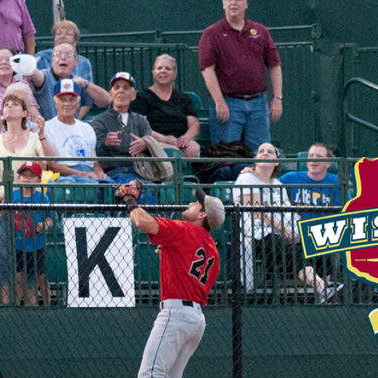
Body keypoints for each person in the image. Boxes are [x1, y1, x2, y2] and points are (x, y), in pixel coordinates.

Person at [119, 183, 224, 378]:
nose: (192, 203)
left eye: (197, 204)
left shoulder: (184, 228)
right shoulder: (212, 248)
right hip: (195, 318)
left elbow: (142, 221)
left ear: (202, 215)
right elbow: (184, 260)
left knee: (149, 376)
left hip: (175, 314)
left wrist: (130, 200)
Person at [234, 142, 336, 302]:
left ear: (276, 161)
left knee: (319, 244)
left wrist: (295, 232)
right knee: (292, 251)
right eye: (261, 151)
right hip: (258, 235)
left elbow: (288, 212)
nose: (265, 153)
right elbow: (257, 212)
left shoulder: (278, 184)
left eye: (269, 152)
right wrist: (286, 231)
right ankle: (323, 288)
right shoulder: (247, 178)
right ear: (255, 160)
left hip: (283, 232)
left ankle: (326, 295)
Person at [0, 92, 54, 304]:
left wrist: (41, 134)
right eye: (6, 104)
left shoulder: (33, 138)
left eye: (15, 104)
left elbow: (45, 165)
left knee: (29, 261)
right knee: (4, 257)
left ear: (24, 112)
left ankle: (30, 307)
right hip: (0, 207)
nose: (9, 107)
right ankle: (8, 305)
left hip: (29, 206)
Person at [199, 0, 282, 151]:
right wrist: (219, 101)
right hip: (228, 104)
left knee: (261, 153)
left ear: (246, 4)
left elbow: (275, 65)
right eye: (228, 0)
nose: (233, 3)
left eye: (238, 0)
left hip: (258, 104)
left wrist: (277, 98)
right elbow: (207, 70)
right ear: (223, 4)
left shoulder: (260, 31)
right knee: (227, 155)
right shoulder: (211, 33)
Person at [279, 142, 344, 302]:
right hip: (295, 234)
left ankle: (327, 294)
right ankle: (327, 292)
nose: (313, 160)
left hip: (325, 233)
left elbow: (347, 209)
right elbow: (266, 187)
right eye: (311, 156)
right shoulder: (290, 179)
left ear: (328, 163)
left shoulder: (336, 182)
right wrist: (251, 171)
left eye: (319, 157)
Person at [131, 54, 201, 158]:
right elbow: (140, 126)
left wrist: (187, 137)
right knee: (173, 151)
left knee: (193, 148)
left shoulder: (183, 98)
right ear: (153, 72)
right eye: (159, 68)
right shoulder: (142, 97)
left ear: (174, 74)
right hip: (154, 142)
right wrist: (163, 138)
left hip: (179, 141)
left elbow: (194, 124)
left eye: (168, 68)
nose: (163, 71)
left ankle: (189, 175)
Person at [91, 72, 153, 184]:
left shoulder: (141, 120)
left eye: (125, 87)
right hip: (114, 174)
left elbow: (151, 144)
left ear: (133, 95)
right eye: (116, 87)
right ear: (111, 94)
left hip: (140, 172)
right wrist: (106, 143)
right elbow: (94, 152)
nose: (121, 90)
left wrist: (145, 144)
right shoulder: (99, 121)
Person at [44, 79, 109, 184]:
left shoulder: (87, 128)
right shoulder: (47, 128)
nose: (67, 103)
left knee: (114, 187)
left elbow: (93, 161)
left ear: (78, 103)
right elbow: (51, 165)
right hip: (66, 175)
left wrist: (100, 173)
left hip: (89, 172)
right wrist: (82, 174)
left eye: (72, 99)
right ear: (55, 103)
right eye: (62, 99)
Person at [28, 42, 108, 120]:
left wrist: (85, 84)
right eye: (58, 54)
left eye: (68, 54)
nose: (63, 57)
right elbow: (34, 73)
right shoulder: (45, 76)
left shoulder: (78, 82)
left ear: (76, 61)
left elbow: (106, 101)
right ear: (52, 59)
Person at [11, 162, 52, 306]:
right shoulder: (13, 195)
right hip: (18, 244)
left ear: (39, 179)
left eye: (32, 176)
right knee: (19, 276)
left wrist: (45, 225)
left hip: (37, 244)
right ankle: (18, 305)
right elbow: (5, 216)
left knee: (41, 276)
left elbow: (49, 217)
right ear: (18, 177)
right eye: (24, 175)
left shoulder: (42, 198)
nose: (27, 179)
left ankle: (48, 305)